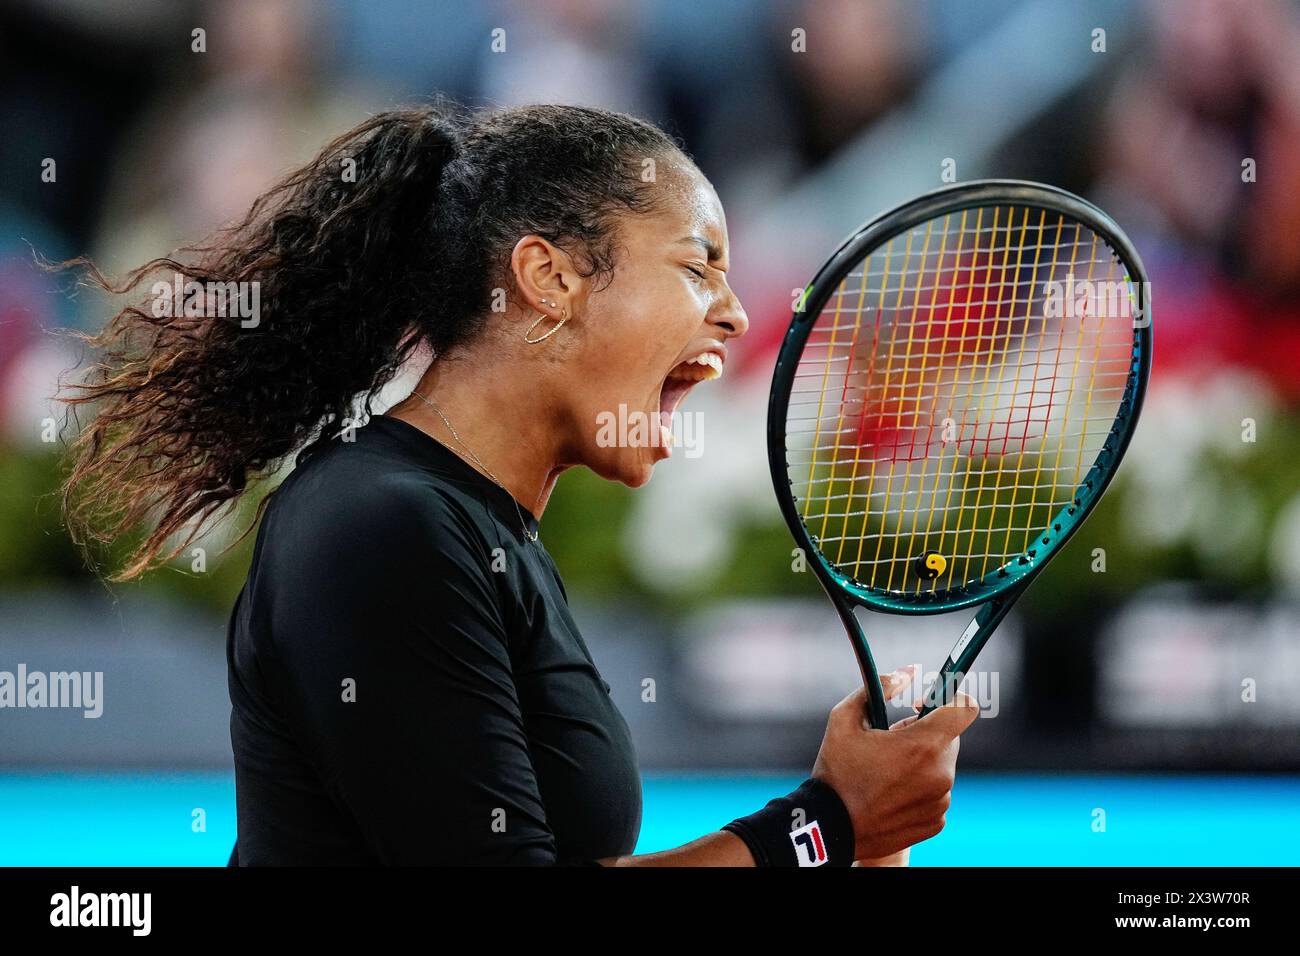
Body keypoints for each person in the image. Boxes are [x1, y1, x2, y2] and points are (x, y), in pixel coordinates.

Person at [61, 103, 978, 866]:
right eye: (697, 267)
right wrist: (821, 827)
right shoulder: (377, 525)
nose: (735, 314)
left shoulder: (482, 534)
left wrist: (863, 837)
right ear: (548, 279)